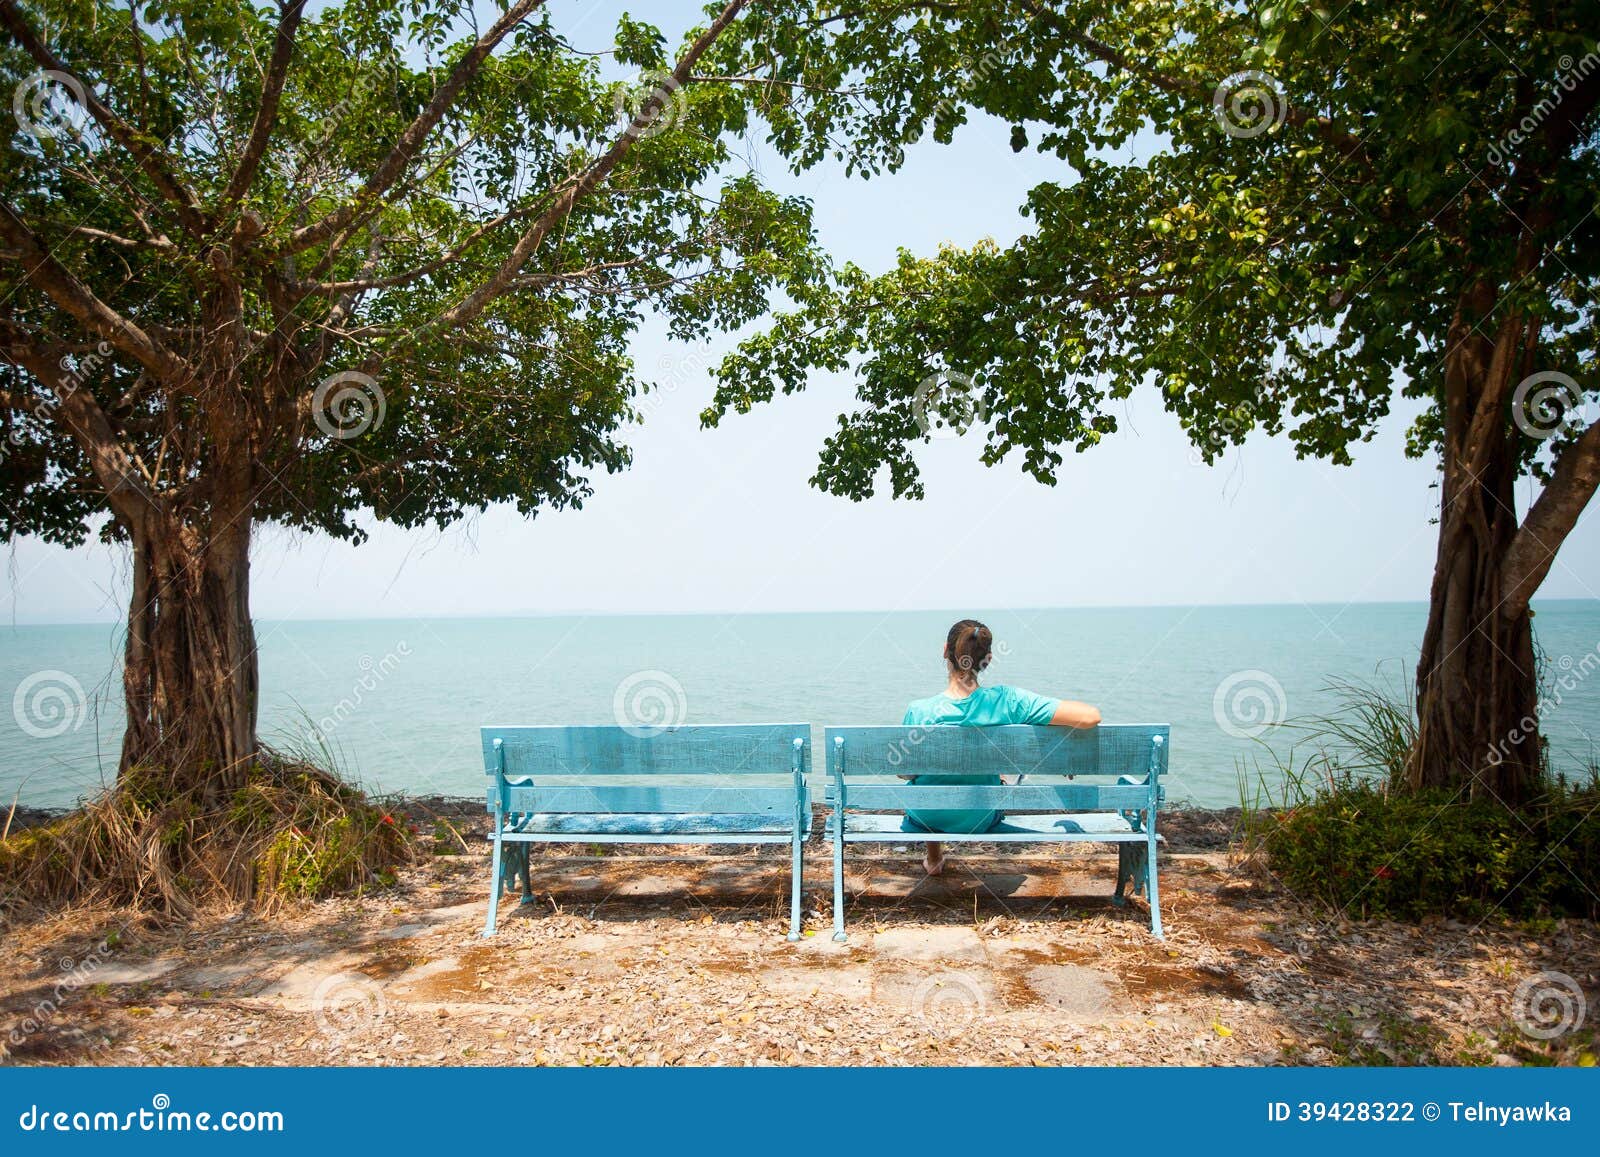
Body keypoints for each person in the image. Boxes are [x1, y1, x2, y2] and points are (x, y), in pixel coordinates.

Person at [901, 619, 1101, 875]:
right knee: (997, 777)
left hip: (925, 815)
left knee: (926, 785)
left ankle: (934, 858)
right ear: (988, 659)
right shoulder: (1009, 701)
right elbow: (1090, 716)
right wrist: (1061, 748)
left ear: (945, 651)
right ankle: (937, 853)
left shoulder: (919, 711)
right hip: (979, 816)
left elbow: (906, 772)